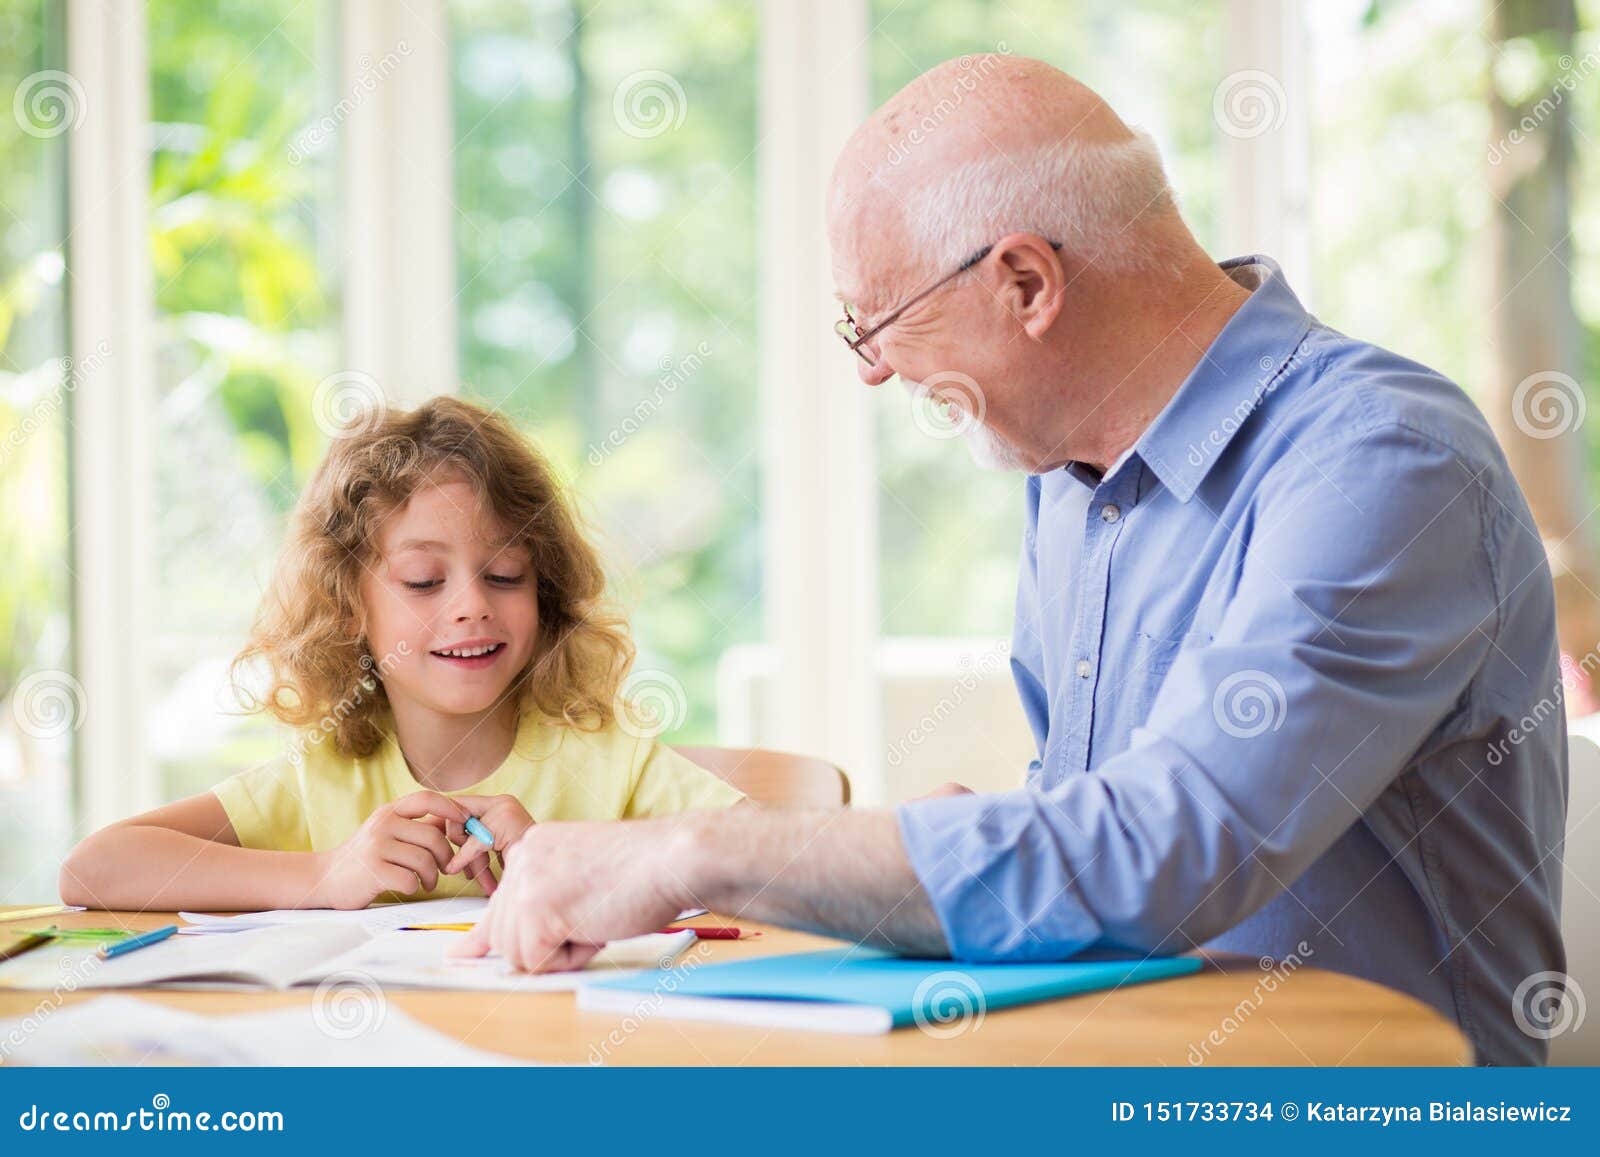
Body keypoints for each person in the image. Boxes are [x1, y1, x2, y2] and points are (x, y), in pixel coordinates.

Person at [456, 56, 1569, 1066]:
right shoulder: (1072, 477)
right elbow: (1100, 839)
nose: (871, 370)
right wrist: (953, 850)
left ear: (1026, 283)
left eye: (876, 320)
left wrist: (696, 851)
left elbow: (1170, 852)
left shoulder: (1381, 459)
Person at [59, 396, 743, 911]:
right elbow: (94, 867)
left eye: (506, 574)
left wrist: (583, 863)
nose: (472, 605)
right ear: (348, 606)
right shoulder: (324, 772)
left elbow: (774, 860)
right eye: (422, 581)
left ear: (545, 591)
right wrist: (325, 873)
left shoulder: (607, 760)